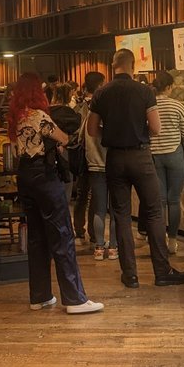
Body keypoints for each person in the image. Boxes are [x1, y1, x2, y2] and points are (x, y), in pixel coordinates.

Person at [87, 49, 184, 289]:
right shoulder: (144, 91)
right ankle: (162, 272)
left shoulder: (102, 92)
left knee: (121, 215)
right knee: (153, 212)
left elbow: (92, 130)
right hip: (141, 156)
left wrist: (112, 135)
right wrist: (138, 132)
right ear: (132, 65)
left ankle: (130, 275)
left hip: (114, 158)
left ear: (113, 65)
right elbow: (155, 128)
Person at [7, 72, 103, 314]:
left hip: (25, 177)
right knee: (62, 234)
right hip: (45, 176)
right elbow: (64, 138)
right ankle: (74, 299)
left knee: (37, 238)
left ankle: (39, 296)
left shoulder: (16, 117)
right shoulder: (39, 116)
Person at [149, 71, 184, 254]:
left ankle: (160, 240)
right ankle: (173, 241)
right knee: (174, 200)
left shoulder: (148, 105)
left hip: (154, 155)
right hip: (175, 154)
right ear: (168, 87)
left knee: (159, 201)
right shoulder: (177, 105)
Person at [82, 76, 118, 262]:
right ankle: (113, 248)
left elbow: (81, 139)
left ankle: (98, 248)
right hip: (112, 165)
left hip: (94, 165)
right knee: (115, 210)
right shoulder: (109, 115)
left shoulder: (88, 116)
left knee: (99, 210)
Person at [73, 72, 104, 245]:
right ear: (100, 85)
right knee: (95, 197)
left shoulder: (78, 106)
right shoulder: (100, 105)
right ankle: (93, 235)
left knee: (81, 195)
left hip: (82, 154)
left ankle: (79, 232)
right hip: (97, 155)